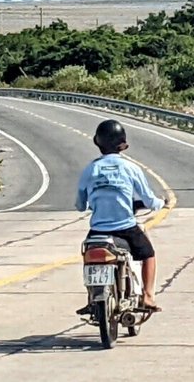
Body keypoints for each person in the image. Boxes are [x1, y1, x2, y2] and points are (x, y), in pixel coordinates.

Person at [75, 119, 164, 314]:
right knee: (148, 255)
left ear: (98, 143)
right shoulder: (131, 168)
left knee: (88, 256)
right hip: (126, 227)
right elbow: (149, 200)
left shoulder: (91, 169)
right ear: (122, 144)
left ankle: (92, 297)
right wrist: (160, 203)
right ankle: (148, 296)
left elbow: (80, 205)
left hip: (98, 229)